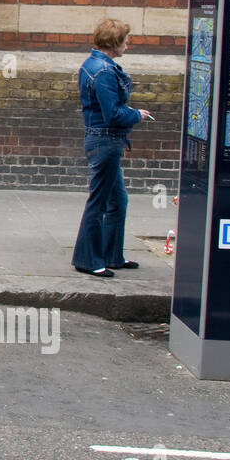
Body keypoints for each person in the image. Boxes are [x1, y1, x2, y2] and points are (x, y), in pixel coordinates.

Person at [72, 18, 150, 277]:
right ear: (115, 43)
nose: (128, 45)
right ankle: (88, 260)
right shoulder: (104, 72)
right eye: (126, 41)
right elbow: (113, 115)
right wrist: (136, 114)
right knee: (100, 201)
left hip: (104, 140)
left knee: (118, 200)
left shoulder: (94, 65)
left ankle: (112, 255)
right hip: (105, 142)